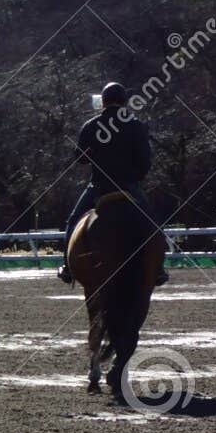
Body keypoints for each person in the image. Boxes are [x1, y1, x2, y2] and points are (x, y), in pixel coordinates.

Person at [57, 82, 166, 286]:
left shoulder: (91, 125)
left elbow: (80, 158)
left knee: (72, 222)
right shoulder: (136, 126)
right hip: (128, 187)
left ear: (103, 102)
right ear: (124, 101)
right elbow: (145, 162)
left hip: (99, 187)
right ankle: (159, 269)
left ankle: (67, 267)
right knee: (154, 223)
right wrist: (135, 178)